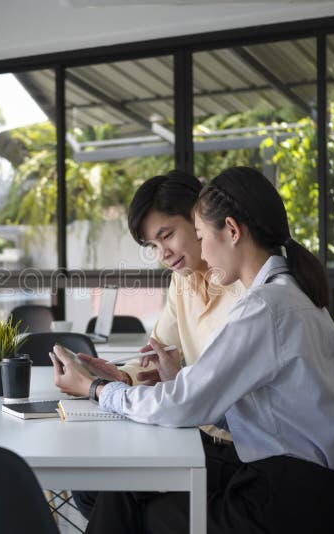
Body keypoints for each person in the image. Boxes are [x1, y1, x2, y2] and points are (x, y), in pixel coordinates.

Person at [52, 166, 334, 533]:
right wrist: (177, 381)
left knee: (136, 506)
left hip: (287, 501)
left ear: (231, 230)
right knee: (124, 492)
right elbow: (266, 411)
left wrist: (98, 389)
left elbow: (186, 403)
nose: (203, 255)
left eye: (199, 235)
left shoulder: (263, 307)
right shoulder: (285, 293)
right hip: (300, 486)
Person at [70, 169, 244, 519]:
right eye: (153, 245)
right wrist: (123, 376)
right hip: (192, 433)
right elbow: (158, 350)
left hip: (236, 448)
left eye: (167, 235)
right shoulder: (181, 282)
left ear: (199, 217)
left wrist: (106, 389)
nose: (163, 253)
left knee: (116, 492)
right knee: (89, 487)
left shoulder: (245, 288)